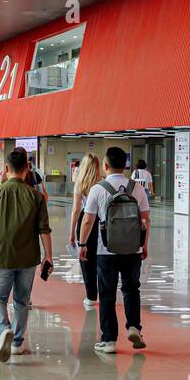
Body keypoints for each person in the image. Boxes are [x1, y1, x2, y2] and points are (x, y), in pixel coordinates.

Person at [0, 147, 52, 363]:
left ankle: (3, 330)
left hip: (1, 255)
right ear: (27, 169)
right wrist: (49, 257)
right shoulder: (36, 197)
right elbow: (44, 229)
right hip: (28, 257)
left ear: (5, 168)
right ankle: (17, 343)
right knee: (21, 300)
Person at [78, 146, 151, 353]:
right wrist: (144, 245)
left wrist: (83, 245)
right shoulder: (136, 188)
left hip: (105, 251)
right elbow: (145, 220)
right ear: (125, 165)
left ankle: (109, 340)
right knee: (131, 289)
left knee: (107, 293)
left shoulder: (98, 189)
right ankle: (134, 327)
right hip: (132, 249)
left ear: (105, 165)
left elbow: (87, 221)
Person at [69, 153, 103, 307]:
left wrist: (71, 233)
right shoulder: (102, 182)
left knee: (85, 257)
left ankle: (91, 296)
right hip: (101, 220)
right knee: (102, 256)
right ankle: (105, 292)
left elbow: (76, 210)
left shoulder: (79, 184)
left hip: (85, 220)